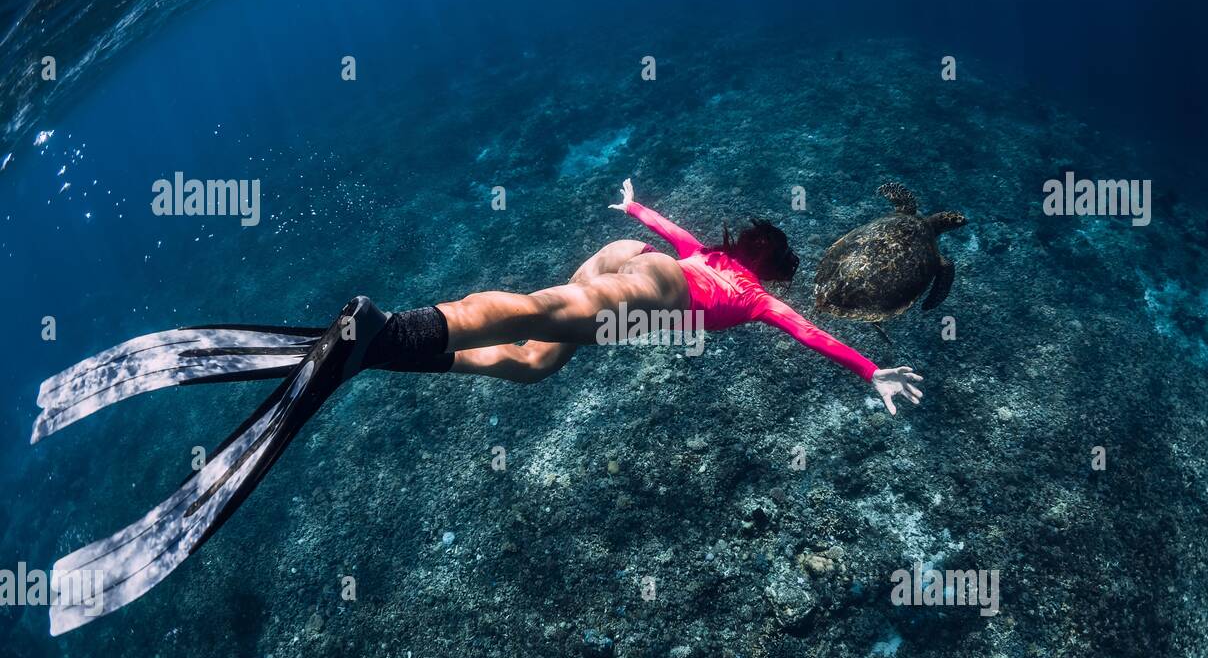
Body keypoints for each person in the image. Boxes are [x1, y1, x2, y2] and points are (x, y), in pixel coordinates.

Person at [32, 179, 922, 634]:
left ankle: (381, 353)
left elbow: (668, 232)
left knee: (536, 361)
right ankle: (387, 328)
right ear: (769, 271)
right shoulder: (759, 298)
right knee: (541, 317)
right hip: (647, 294)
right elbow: (810, 334)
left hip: (632, 265)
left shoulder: (715, 257)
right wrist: (869, 368)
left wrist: (632, 205)